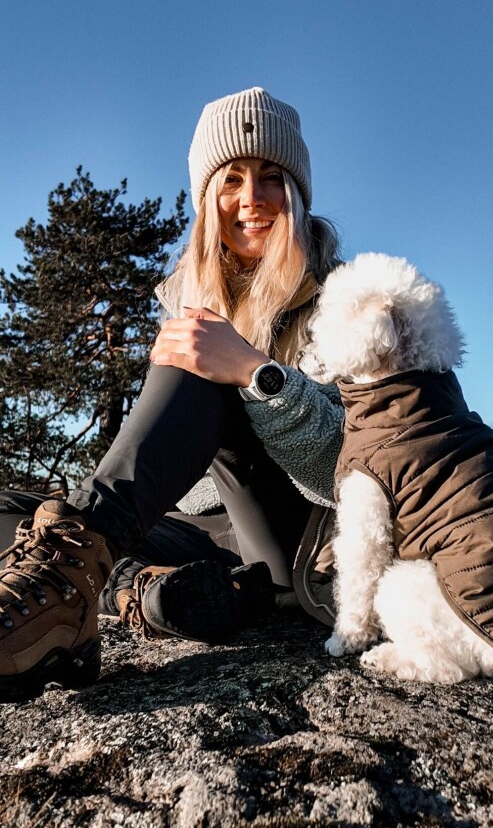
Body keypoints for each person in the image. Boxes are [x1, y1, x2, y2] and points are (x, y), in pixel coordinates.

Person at [0, 87, 343, 700]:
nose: (251, 199)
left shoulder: (351, 301)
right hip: (205, 530)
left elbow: (361, 471)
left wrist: (256, 374)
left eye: (271, 177)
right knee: (12, 508)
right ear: (206, 199)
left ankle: (92, 594)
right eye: (231, 179)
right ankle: (142, 591)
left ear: (297, 192)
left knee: (201, 352)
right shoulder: (188, 297)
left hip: (299, 537)